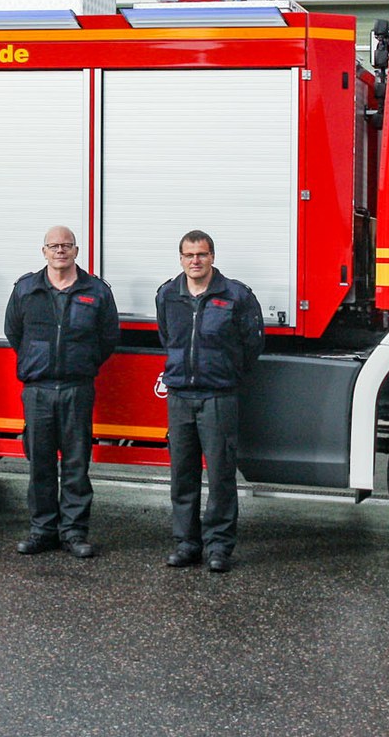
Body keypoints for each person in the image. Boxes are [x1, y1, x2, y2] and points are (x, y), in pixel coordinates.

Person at [3, 226, 120, 559]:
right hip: (38, 390)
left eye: (66, 246)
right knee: (40, 464)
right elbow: (14, 331)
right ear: (44, 251)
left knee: (75, 464)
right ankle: (42, 531)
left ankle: (73, 532)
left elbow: (108, 337)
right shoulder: (26, 289)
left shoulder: (95, 291)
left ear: (76, 251)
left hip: (76, 389)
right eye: (53, 246)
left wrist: (80, 363)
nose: (60, 251)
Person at [155, 229, 265, 572]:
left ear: (213, 257)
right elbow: (166, 337)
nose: (195, 261)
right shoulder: (168, 295)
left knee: (220, 476)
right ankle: (187, 544)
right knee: (182, 475)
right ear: (181, 259)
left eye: (201, 254)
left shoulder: (236, 296)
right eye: (189, 255)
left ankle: (219, 547)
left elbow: (252, 344)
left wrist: (224, 374)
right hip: (180, 398)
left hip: (218, 396)